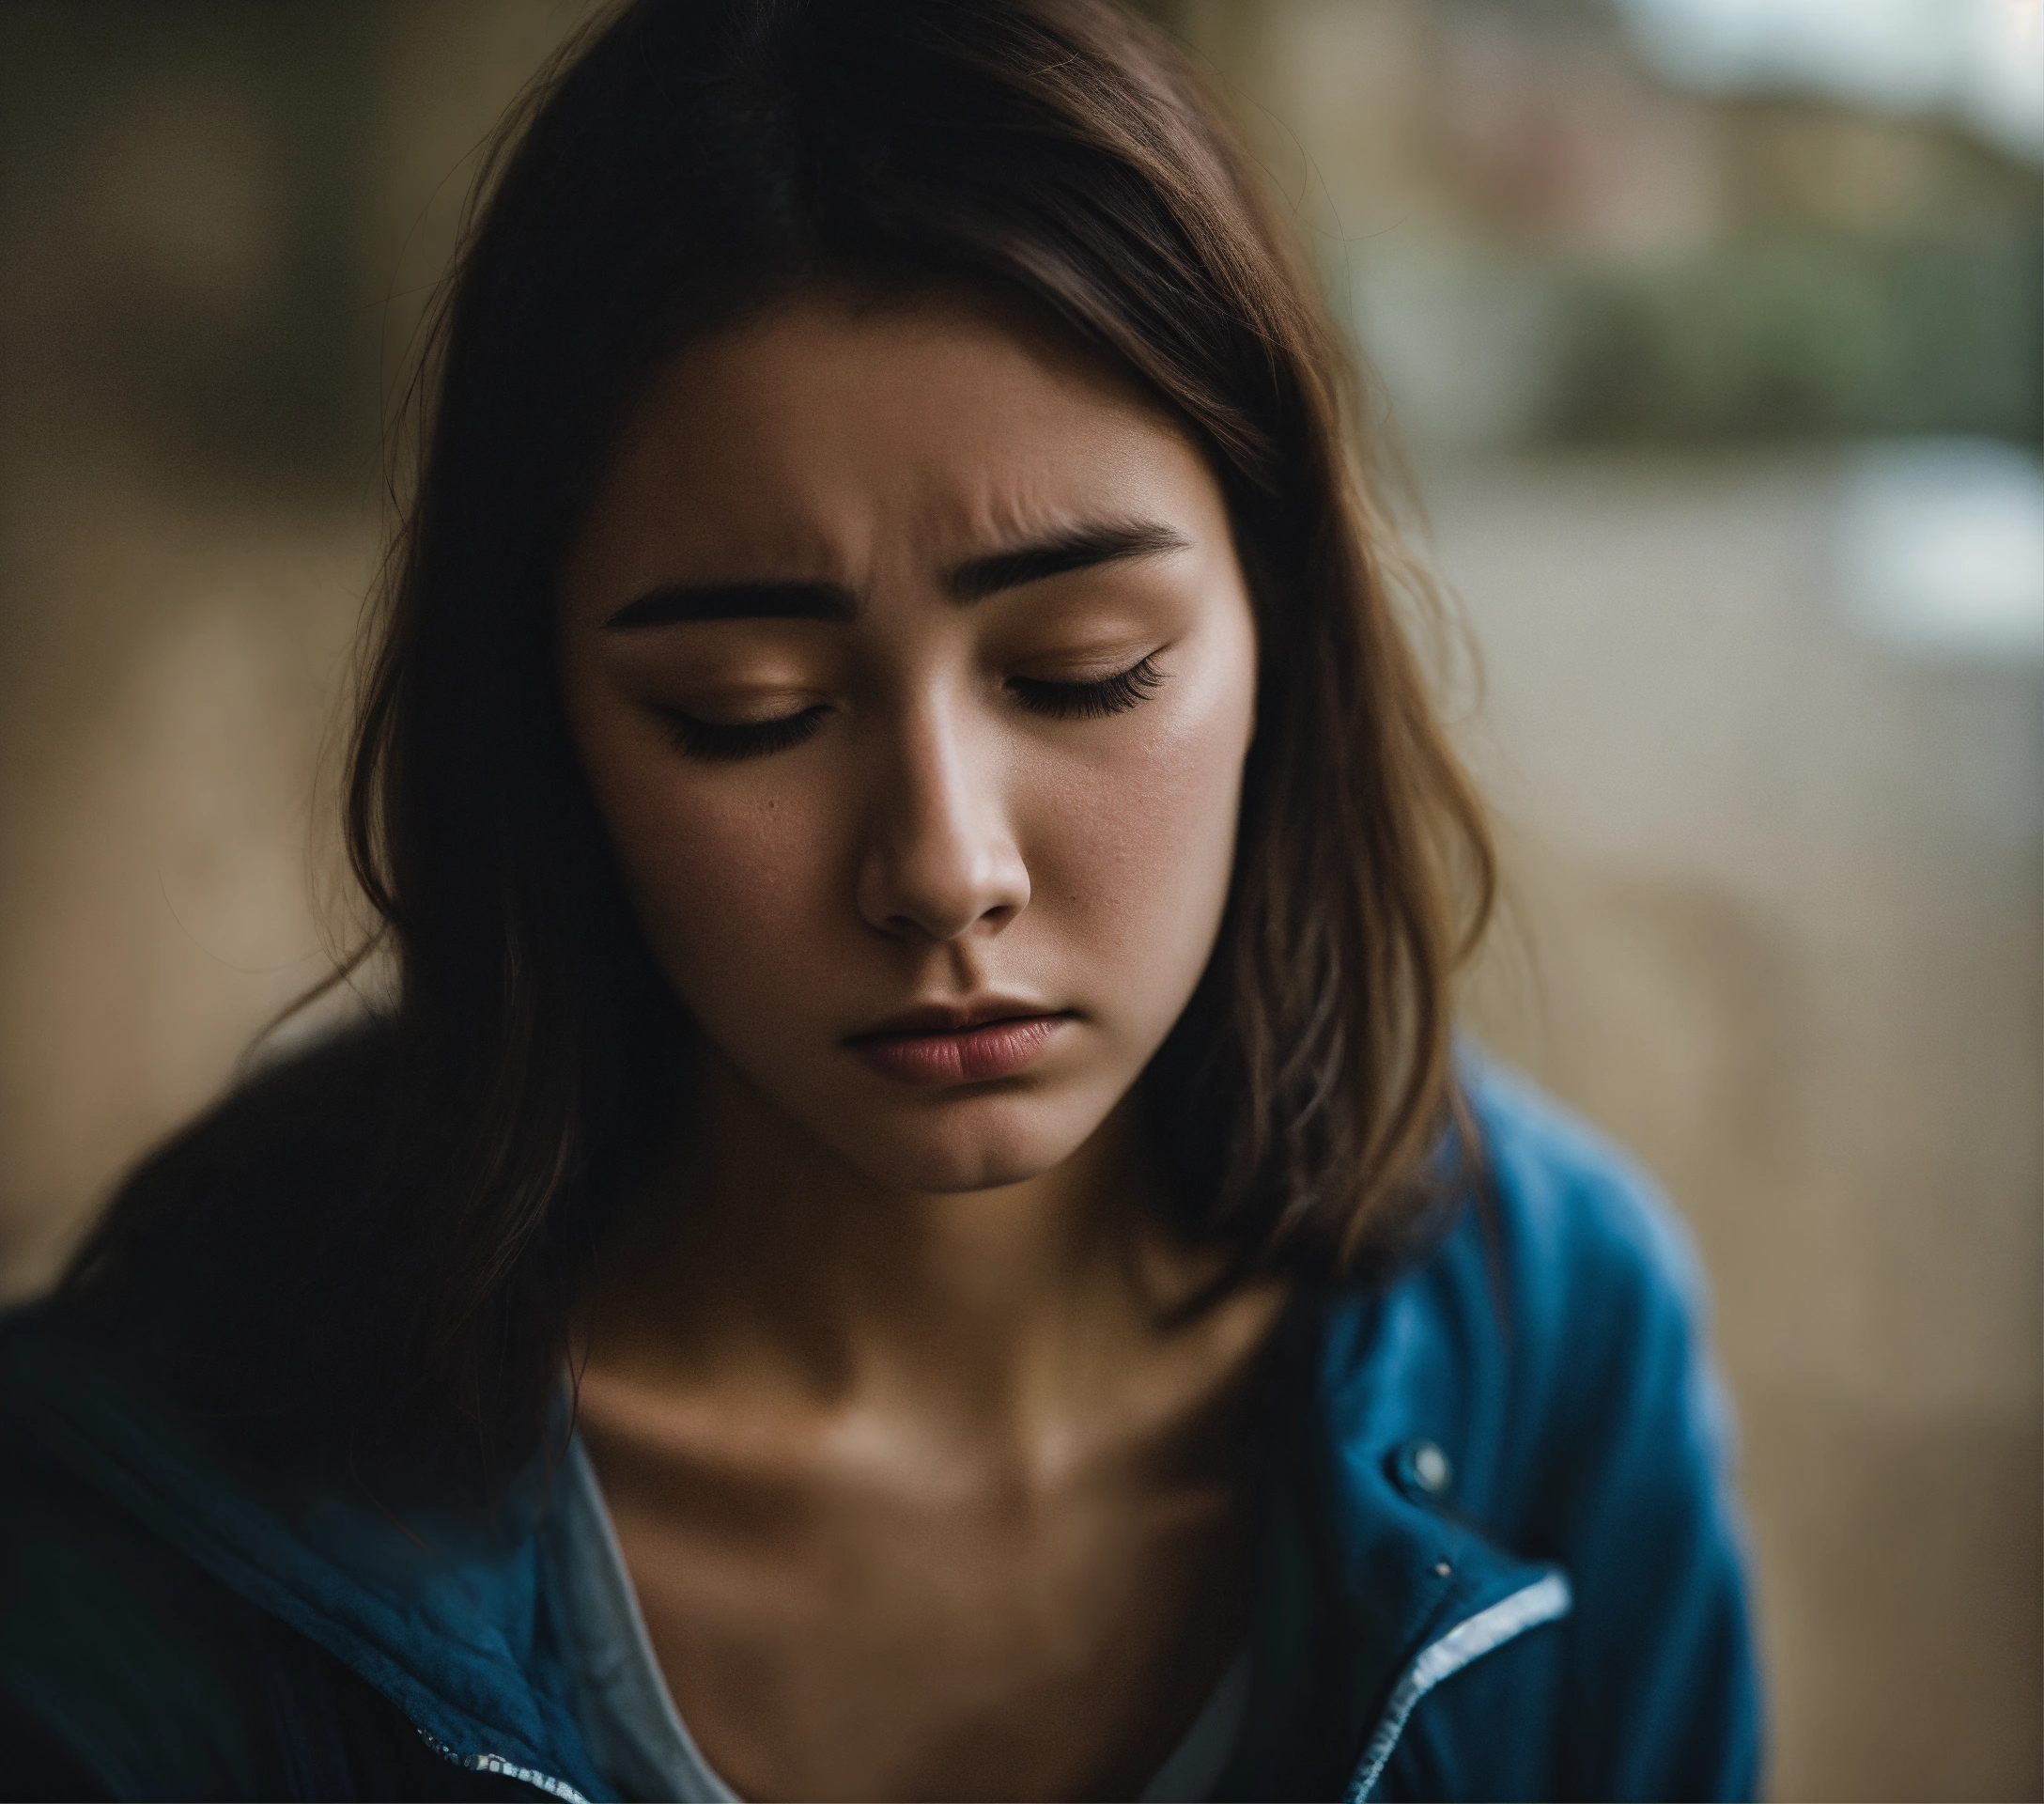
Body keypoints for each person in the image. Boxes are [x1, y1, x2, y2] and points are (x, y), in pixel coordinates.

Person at [0, 1, 1760, 1798]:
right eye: (744, 714)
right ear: (538, 733)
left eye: (1083, 673)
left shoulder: (1556, 1345)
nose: (943, 869)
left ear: (1279, 634)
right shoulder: (164, 1508)